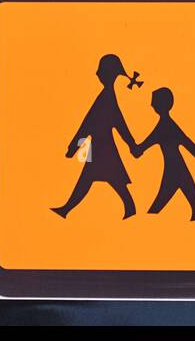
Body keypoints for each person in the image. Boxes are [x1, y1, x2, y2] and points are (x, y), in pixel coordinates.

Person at [52, 54, 140, 219]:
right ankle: (129, 208)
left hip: (102, 148)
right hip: (100, 147)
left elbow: (90, 125)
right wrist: (131, 145)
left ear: (107, 73)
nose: (96, 73)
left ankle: (67, 209)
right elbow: (107, 124)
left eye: (100, 69)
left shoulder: (106, 98)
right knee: (101, 179)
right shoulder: (107, 96)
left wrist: (74, 147)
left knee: (94, 178)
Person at [133, 87, 195, 220]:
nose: (151, 104)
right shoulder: (166, 125)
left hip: (175, 170)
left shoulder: (165, 126)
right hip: (177, 169)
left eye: (153, 101)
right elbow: (187, 143)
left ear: (159, 104)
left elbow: (187, 142)